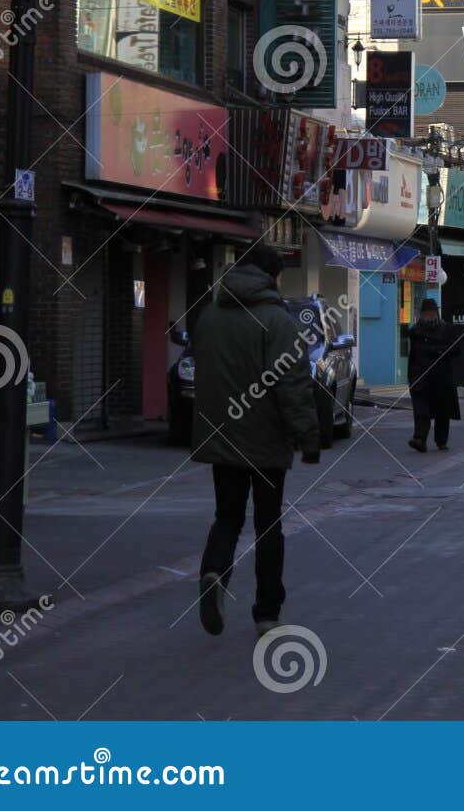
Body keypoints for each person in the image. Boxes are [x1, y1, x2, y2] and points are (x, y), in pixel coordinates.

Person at [192, 244, 320, 638]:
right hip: (266, 441)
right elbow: (292, 384)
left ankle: (215, 571)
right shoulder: (276, 321)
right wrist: (308, 436)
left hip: (222, 435)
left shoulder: (209, 316)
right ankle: (267, 611)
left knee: (228, 515)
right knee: (268, 526)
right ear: (271, 276)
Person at [407, 298, 461, 452]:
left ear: (436, 313)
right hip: (420, 376)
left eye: (431, 313)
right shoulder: (415, 331)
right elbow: (413, 355)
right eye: (425, 313)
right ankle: (419, 439)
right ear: (421, 314)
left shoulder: (447, 330)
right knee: (421, 410)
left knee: (442, 411)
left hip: (441, 378)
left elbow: (456, 350)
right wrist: (411, 376)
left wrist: (438, 351)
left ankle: (441, 441)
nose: (428, 316)